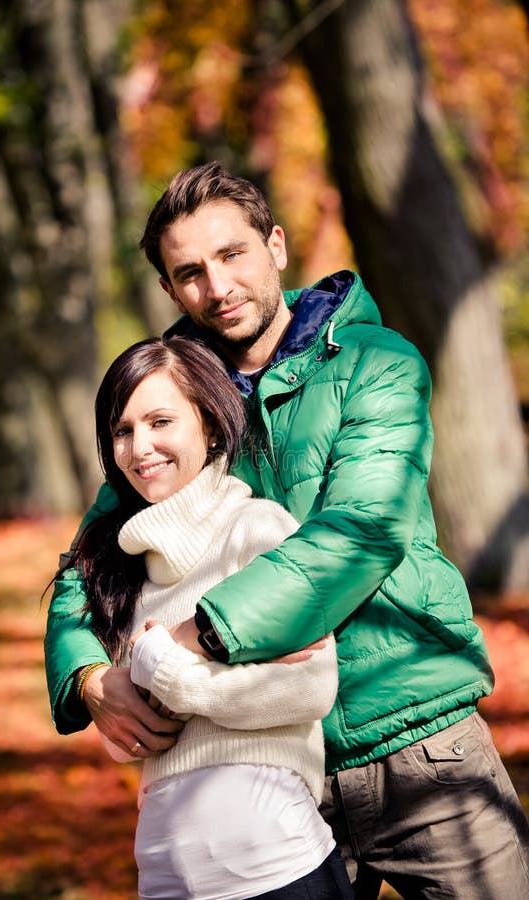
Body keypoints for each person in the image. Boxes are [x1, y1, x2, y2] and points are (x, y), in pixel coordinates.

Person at [45, 162, 529, 899]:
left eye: (231, 255)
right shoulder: (174, 400)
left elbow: (361, 529)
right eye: (190, 272)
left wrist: (199, 634)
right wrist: (88, 680)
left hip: (414, 738)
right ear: (172, 290)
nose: (217, 286)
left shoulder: (377, 363)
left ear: (274, 245)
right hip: (260, 773)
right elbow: (87, 564)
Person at [52, 335, 353, 899]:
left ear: (211, 426)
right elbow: (127, 741)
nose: (140, 447)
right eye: (122, 430)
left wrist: (168, 671)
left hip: (278, 869)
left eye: (161, 421)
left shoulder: (257, 529)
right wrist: (130, 683)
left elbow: (310, 688)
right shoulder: (120, 568)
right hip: (166, 878)